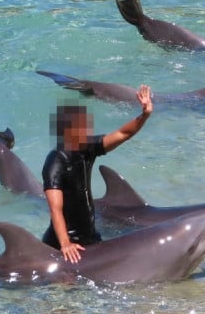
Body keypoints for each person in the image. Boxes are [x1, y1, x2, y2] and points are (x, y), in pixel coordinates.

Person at [41, 85, 153, 263]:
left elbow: (123, 133)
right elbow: (55, 208)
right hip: (63, 246)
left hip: (89, 237)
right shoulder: (55, 161)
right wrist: (65, 244)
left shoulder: (87, 148)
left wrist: (145, 115)